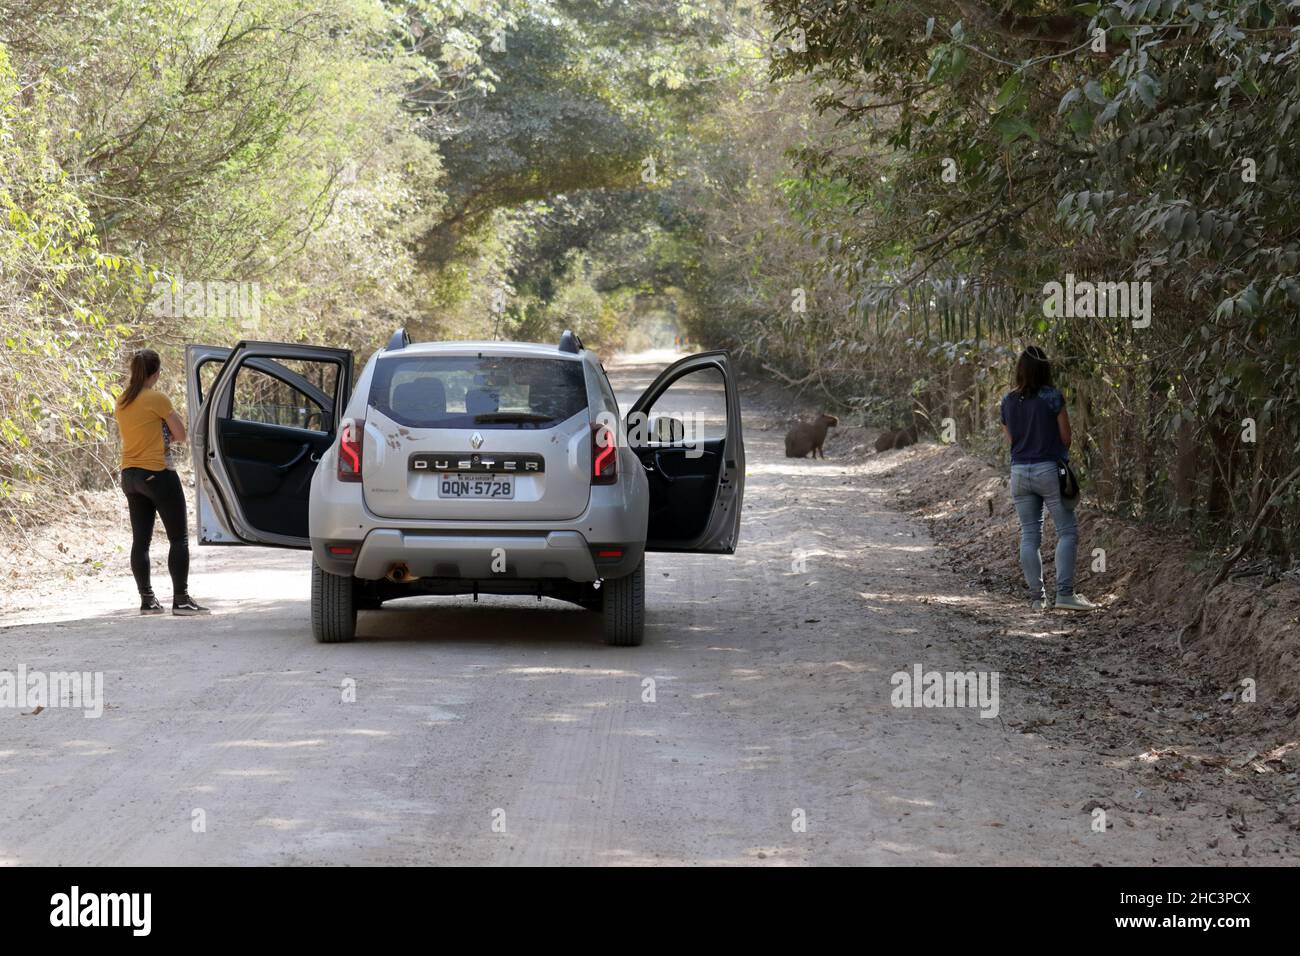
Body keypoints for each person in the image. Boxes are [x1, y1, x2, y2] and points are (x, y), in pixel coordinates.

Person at [1000, 346, 1096, 612]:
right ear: (1045, 368)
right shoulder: (1052, 397)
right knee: (1067, 531)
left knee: (1030, 534)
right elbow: (1066, 438)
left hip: (1019, 473)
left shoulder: (1007, 401)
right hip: (1048, 470)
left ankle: (1036, 599)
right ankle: (1064, 594)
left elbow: (1012, 441)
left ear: (1019, 370)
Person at [114, 349, 209, 615]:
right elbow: (181, 435)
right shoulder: (157, 399)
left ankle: (148, 600)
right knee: (178, 538)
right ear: (155, 373)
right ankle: (181, 600)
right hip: (157, 472)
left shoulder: (122, 400)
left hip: (129, 475)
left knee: (140, 541)